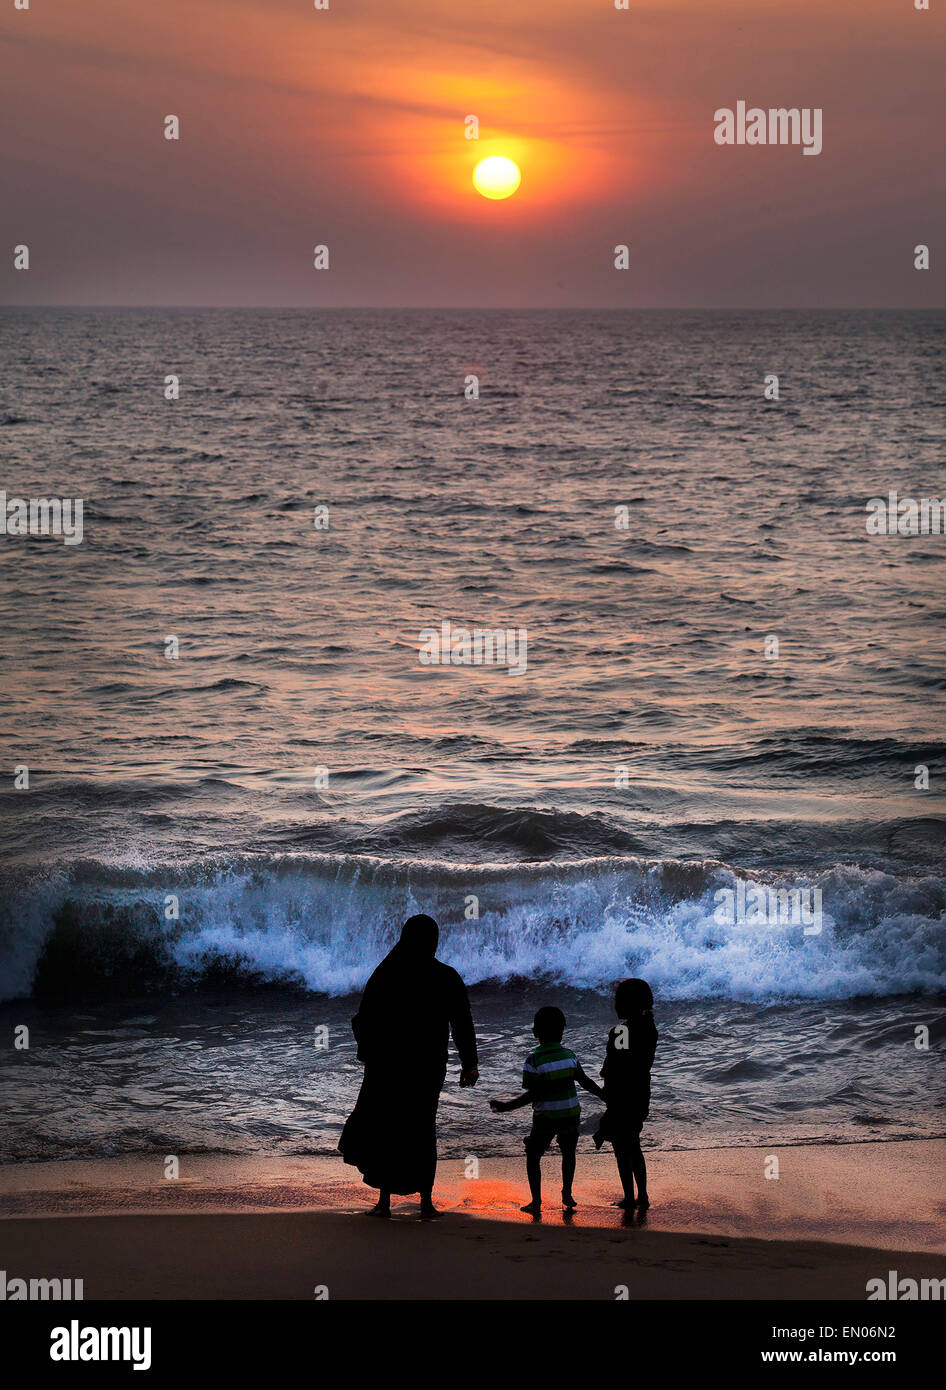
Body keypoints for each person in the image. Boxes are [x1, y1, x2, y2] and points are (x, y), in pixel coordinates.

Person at [338, 914, 478, 1218]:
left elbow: (364, 1019)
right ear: (434, 941)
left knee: (388, 1128)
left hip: (388, 1065)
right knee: (422, 1128)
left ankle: (384, 1202)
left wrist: (368, 1056)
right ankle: (426, 1203)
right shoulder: (446, 976)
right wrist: (470, 1064)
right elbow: (462, 1022)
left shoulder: (387, 972)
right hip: (428, 1066)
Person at [489, 1005, 602, 1214]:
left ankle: (536, 1202)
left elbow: (534, 1094)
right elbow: (585, 1082)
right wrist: (605, 1096)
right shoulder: (570, 1055)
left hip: (546, 1117)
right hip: (570, 1112)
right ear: (562, 1031)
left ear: (535, 1033)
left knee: (533, 1155)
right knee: (569, 1153)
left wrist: (507, 1107)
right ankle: (567, 1193)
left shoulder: (534, 1060)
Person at [593, 978, 658, 1211]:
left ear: (628, 1003)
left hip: (622, 1095)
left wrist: (606, 1081)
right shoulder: (649, 1028)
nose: (614, 1004)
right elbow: (636, 1063)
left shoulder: (622, 1031)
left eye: (617, 1000)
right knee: (634, 1145)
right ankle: (643, 1195)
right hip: (640, 1093)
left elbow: (617, 1064)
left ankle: (630, 1197)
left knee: (622, 1148)